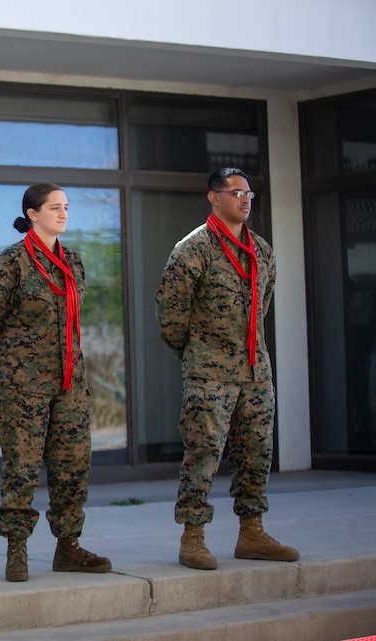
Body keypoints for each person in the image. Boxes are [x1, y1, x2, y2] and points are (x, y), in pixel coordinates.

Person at [156, 167, 299, 570]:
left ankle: (252, 532)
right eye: (235, 192)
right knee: (203, 454)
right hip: (209, 373)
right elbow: (170, 316)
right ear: (213, 198)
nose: (244, 199)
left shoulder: (262, 250)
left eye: (248, 193)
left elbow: (262, 305)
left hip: (256, 371)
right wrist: (199, 353)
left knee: (257, 452)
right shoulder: (193, 249)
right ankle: (193, 537)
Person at [0, 183, 111, 582]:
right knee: (22, 468)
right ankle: (16, 549)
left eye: (66, 207)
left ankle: (68, 546)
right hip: (23, 386)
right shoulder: (10, 263)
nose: (63, 214)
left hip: (70, 382)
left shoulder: (73, 261)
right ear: (32, 214)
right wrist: (15, 365)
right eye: (55, 207)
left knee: (72, 465)